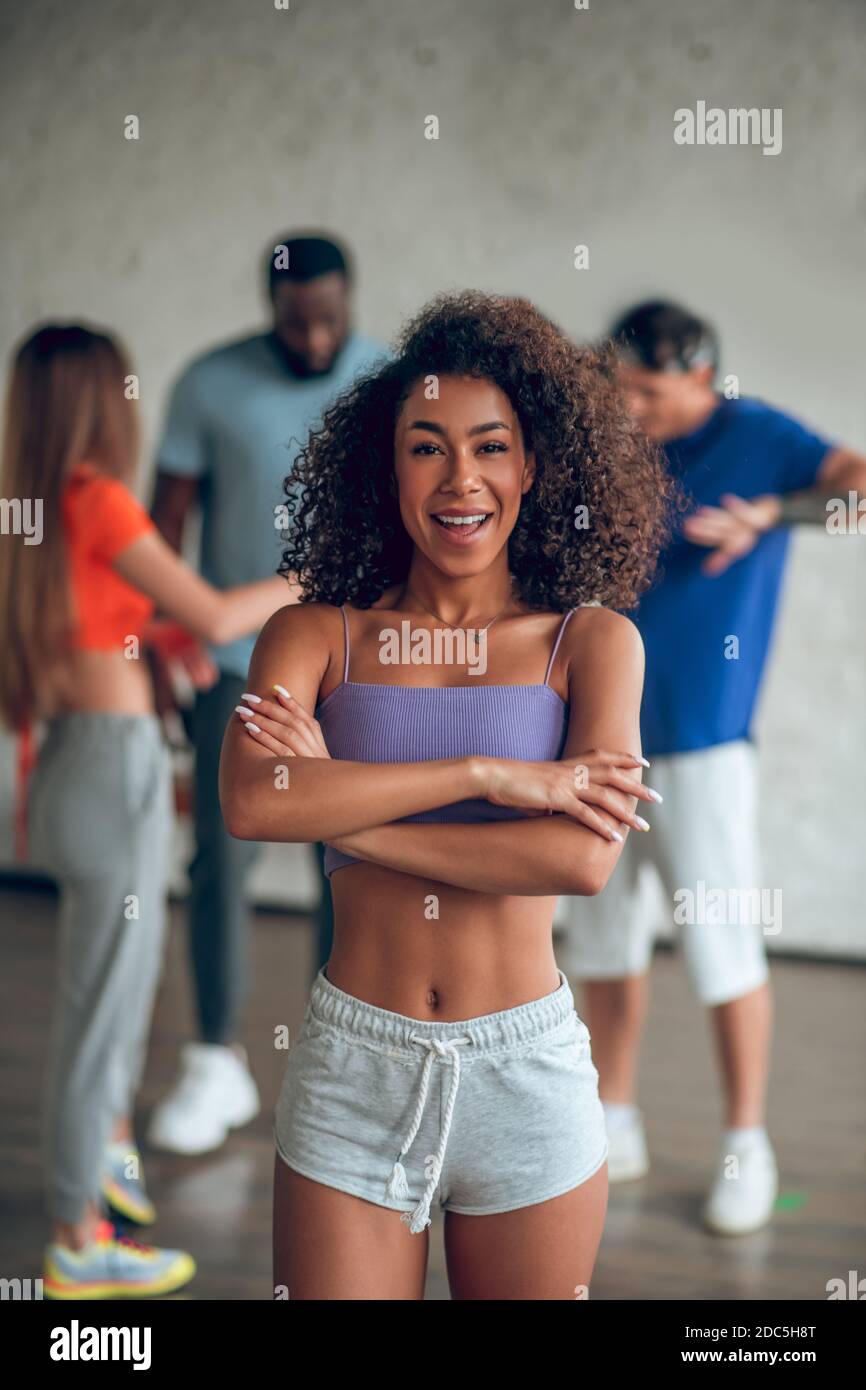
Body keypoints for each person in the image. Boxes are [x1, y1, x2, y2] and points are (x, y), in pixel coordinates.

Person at [219, 290, 676, 1300]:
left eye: (490, 446)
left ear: (534, 464)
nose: (459, 478)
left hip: (526, 1075)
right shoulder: (312, 633)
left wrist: (343, 804)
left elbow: (578, 858)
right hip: (352, 1064)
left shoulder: (590, 643)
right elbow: (252, 804)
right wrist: (485, 778)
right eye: (425, 447)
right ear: (385, 469)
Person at [554, 299, 866, 1235]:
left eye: (647, 391)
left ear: (701, 375)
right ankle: (615, 1118)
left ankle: (746, 1142)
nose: (631, 407)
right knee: (604, 943)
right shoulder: (611, 440)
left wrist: (774, 514)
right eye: (620, 389)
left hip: (706, 744)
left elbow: (859, 491)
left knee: (723, 949)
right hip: (598, 740)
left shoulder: (759, 433)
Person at [0, 323, 290, 1298]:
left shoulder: (31, 510)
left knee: (110, 1014)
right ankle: (78, 1237)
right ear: (101, 400)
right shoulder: (97, 497)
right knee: (103, 1023)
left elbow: (110, 622)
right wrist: (317, 577)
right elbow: (216, 614)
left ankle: (109, 1212)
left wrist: (156, 638)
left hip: (72, 768)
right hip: (112, 771)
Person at [146, 233, 388, 1156]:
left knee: (351, 856)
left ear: (350, 298)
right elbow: (163, 532)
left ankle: (345, 1057)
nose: (318, 337)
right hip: (237, 665)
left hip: (359, 661)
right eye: (299, 321)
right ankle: (215, 1061)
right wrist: (162, 644)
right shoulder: (208, 383)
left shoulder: (391, 383)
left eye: (332, 317)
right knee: (222, 857)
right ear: (271, 307)